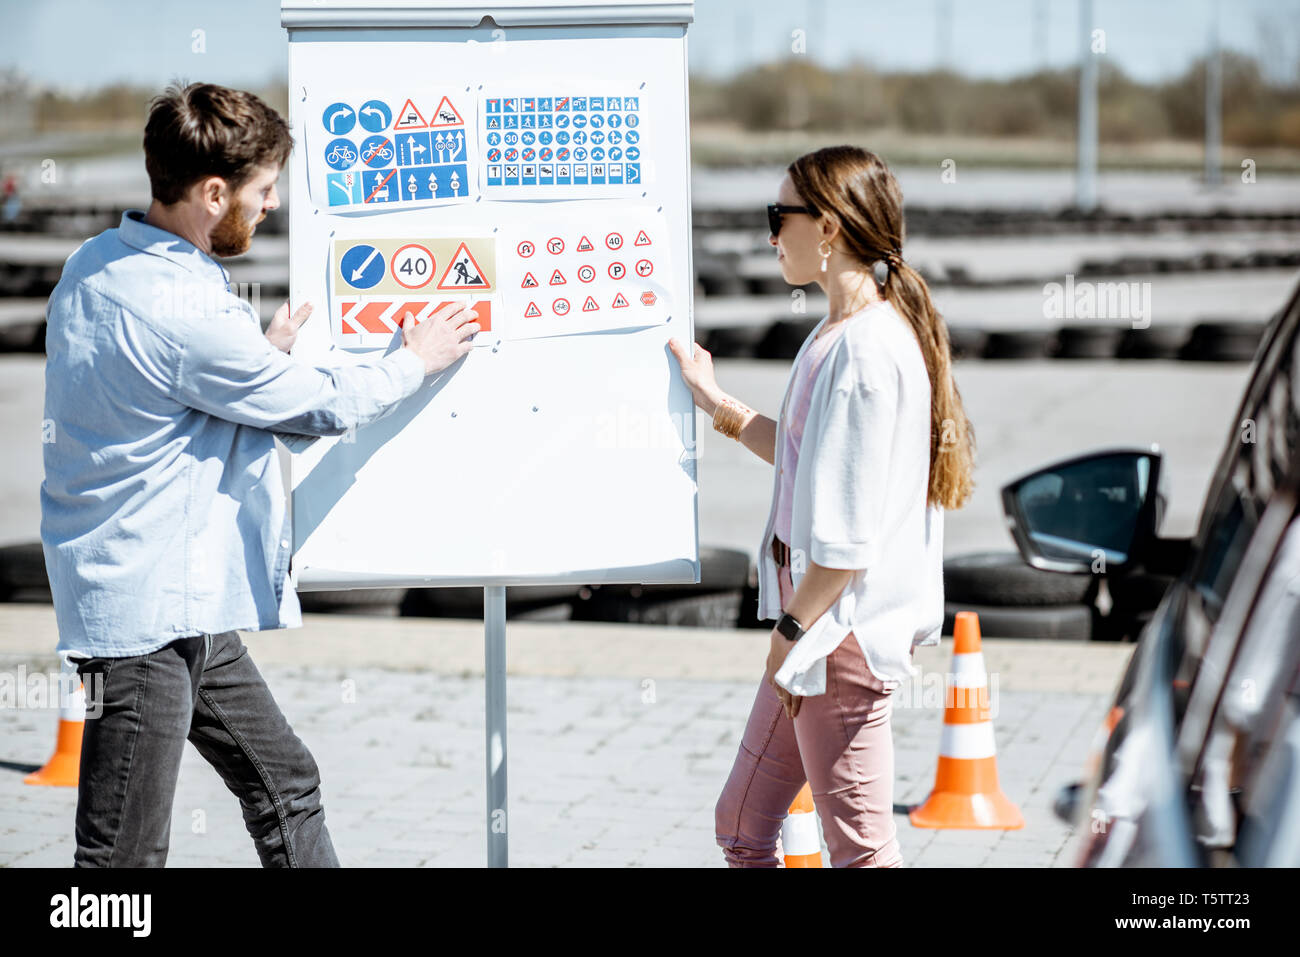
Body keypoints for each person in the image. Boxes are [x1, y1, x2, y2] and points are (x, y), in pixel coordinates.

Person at [40, 82, 480, 867]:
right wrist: (415, 360)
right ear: (214, 192)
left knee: (287, 781)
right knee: (119, 859)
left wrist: (254, 361)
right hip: (149, 619)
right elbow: (316, 406)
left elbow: (155, 395)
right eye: (264, 189)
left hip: (182, 595)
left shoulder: (96, 263)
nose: (273, 205)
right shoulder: (185, 309)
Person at [668, 145, 975, 867]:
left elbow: (844, 546)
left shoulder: (866, 352)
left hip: (834, 643)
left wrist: (789, 632)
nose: (772, 234)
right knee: (741, 823)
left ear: (828, 227)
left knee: (862, 853)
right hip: (813, 636)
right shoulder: (836, 333)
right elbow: (808, 459)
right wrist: (718, 404)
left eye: (781, 216)